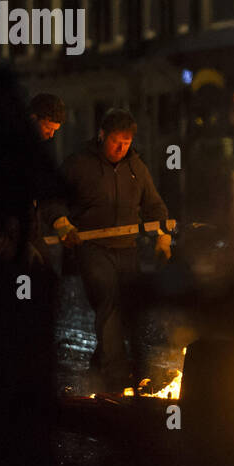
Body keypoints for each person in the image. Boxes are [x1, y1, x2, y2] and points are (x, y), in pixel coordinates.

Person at [46, 108, 172, 393]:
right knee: (109, 302)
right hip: (91, 248)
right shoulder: (79, 164)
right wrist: (62, 222)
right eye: (116, 142)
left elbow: (154, 206)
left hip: (126, 248)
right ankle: (116, 378)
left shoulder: (136, 168)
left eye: (126, 143)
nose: (121, 148)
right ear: (102, 135)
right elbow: (52, 197)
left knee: (126, 308)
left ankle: (98, 370)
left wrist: (163, 237)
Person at [0, 92, 67, 265]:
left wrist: (60, 220)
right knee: (24, 288)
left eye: (54, 130)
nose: (51, 135)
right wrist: (4, 247)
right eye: (48, 128)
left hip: (28, 238)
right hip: (7, 245)